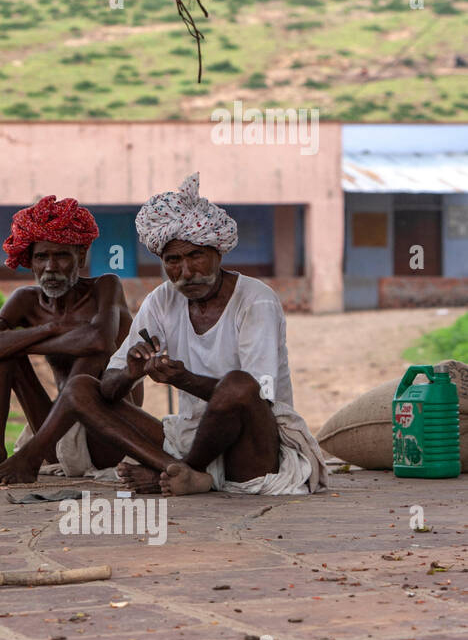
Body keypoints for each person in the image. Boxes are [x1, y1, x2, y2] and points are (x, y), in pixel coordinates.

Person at [16, 174, 326, 496]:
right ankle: (177, 471)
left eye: (196, 256)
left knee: (238, 384)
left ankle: (185, 472)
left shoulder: (255, 299)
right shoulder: (162, 300)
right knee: (82, 388)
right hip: (190, 437)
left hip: (254, 445)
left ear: (218, 253)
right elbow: (108, 386)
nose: (186, 272)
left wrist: (185, 379)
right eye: (173, 260)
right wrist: (128, 374)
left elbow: (257, 394)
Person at [0, 196, 138, 485]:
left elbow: (99, 341)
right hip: (53, 435)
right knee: (3, 353)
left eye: (61, 256)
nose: (50, 267)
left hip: (109, 433)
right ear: (30, 262)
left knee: (91, 357)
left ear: (80, 258)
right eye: (41, 257)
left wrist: (20, 340)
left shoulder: (105, 287)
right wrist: (50, 330)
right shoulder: (26, 299)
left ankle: (29, 457)